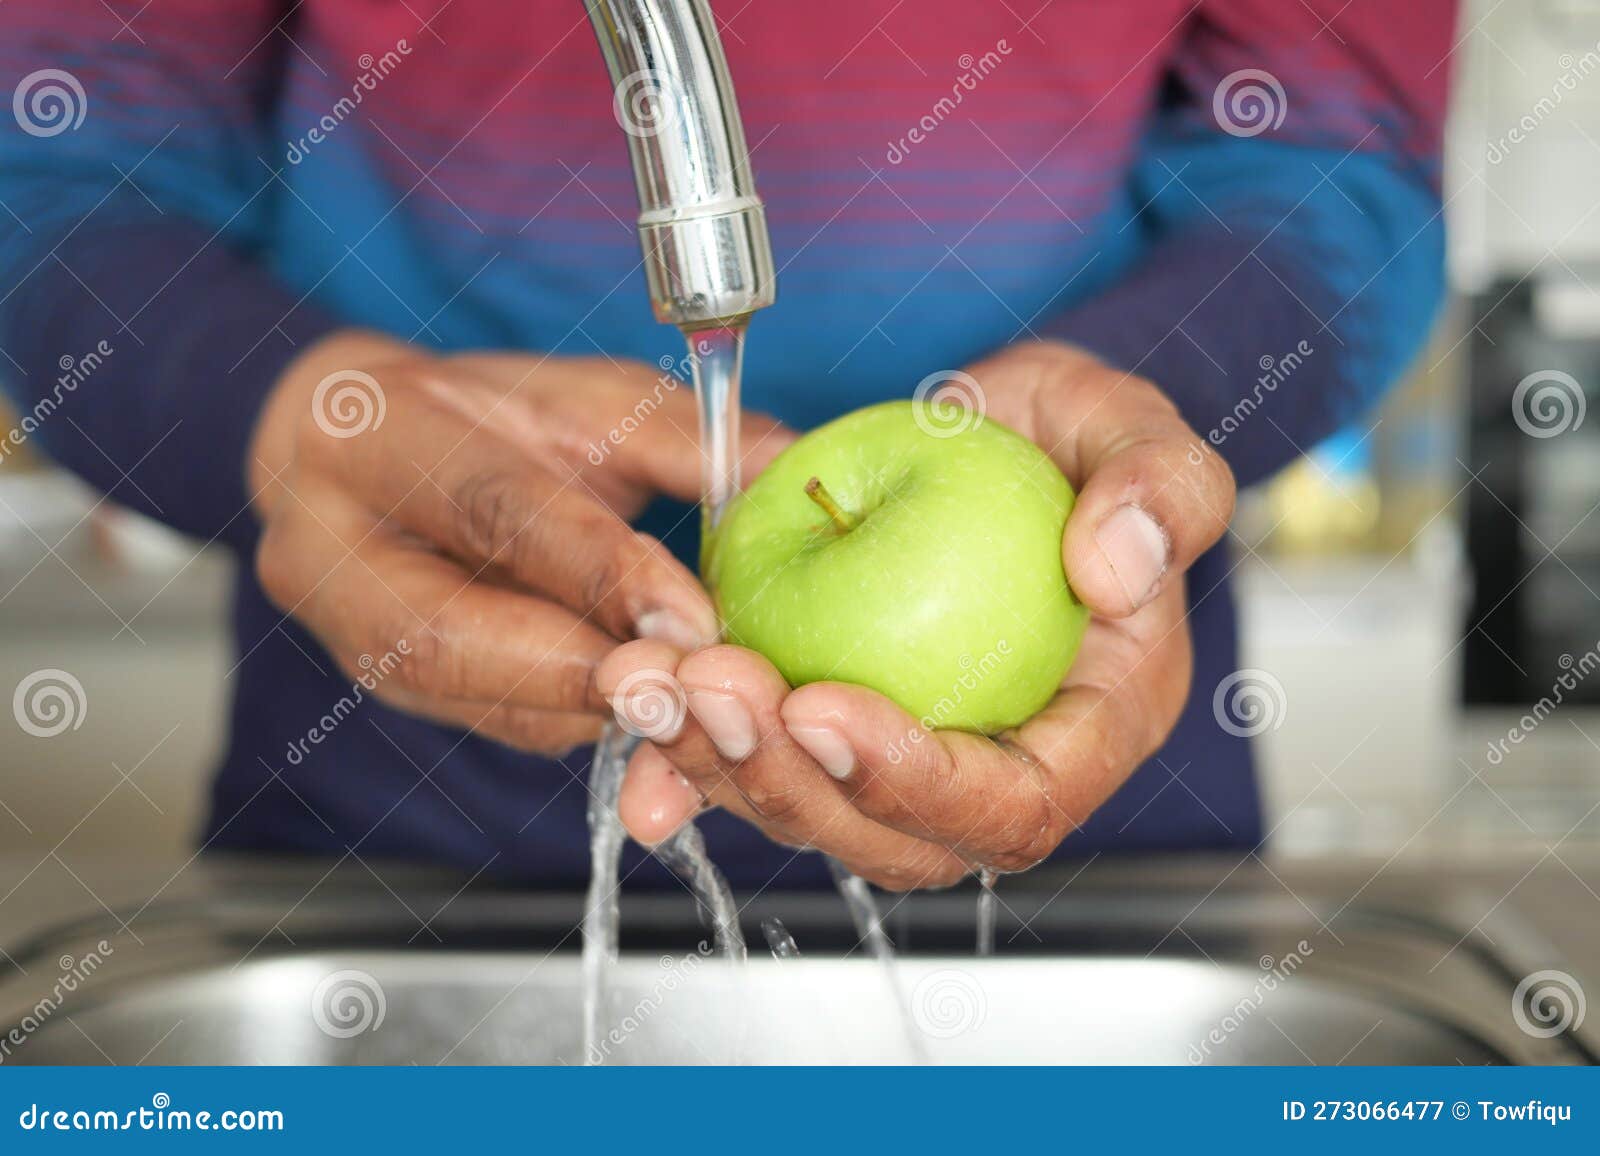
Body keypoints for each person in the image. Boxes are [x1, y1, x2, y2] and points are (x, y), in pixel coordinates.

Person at [0, 1, 1453, 890]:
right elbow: (61, 161)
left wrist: (1149, 401)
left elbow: (1332, 156)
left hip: (1092, 786)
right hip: (391, 796)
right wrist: (293, 415)